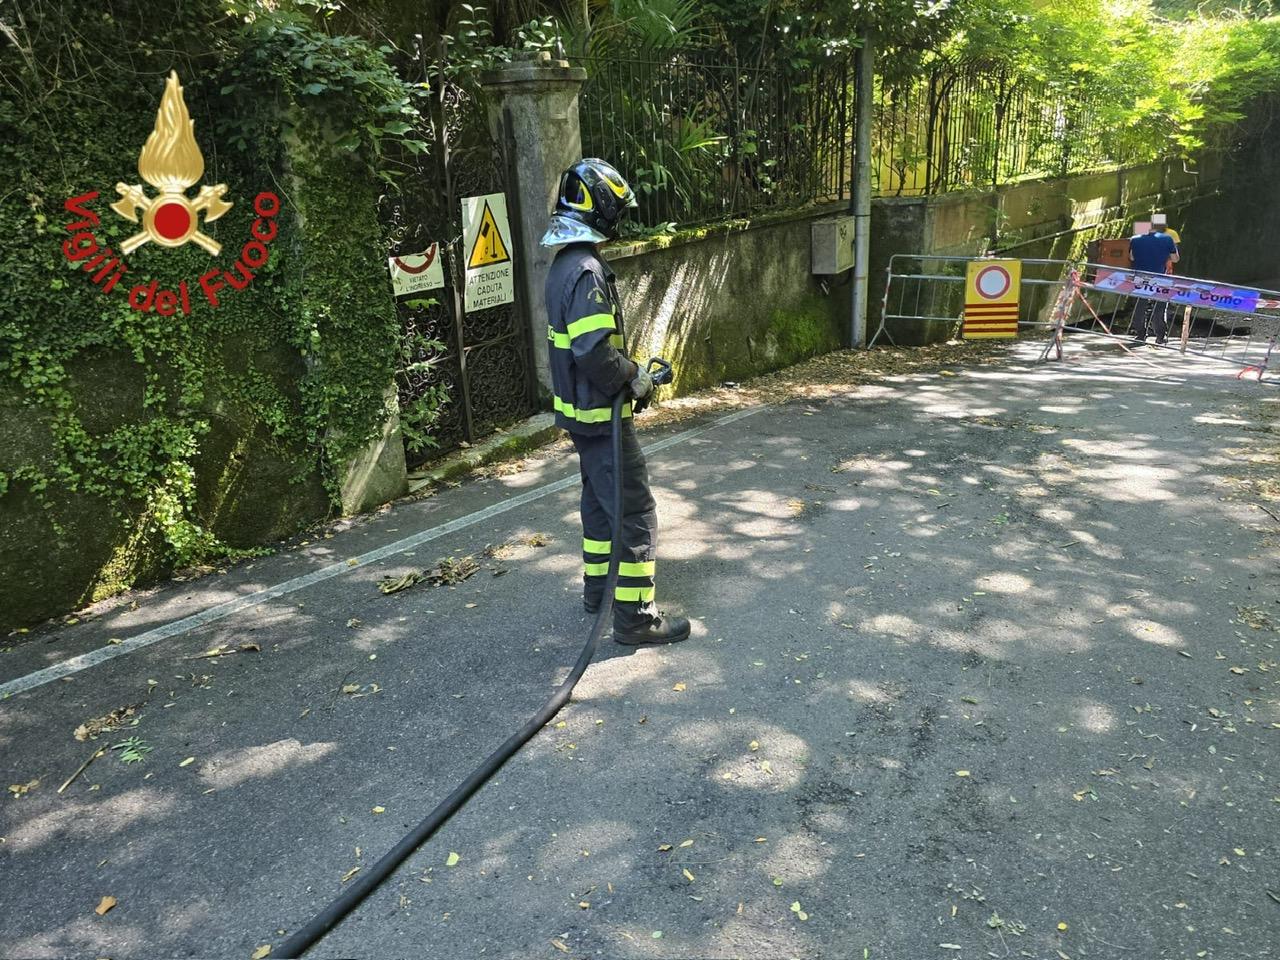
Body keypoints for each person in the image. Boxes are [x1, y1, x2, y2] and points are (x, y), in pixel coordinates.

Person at [539, 158, 691, 646]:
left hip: (582, 416)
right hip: (601, 416)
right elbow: (594, 353)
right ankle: (634, 617)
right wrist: (636, 378)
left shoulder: (563, 265)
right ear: (600, 209)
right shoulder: (586, 271)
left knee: (599, 506)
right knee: (633, 510)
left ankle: (598, 589)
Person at [1127, 218, 1180, 345]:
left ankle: (1140, 334)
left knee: (1140, 305)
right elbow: (1175, 258)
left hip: (1140, 277)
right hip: (1160, 277)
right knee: (1160, 307)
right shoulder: (1167, 239)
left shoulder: (1134, 239)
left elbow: (1131, 257)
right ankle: (1160, 336)